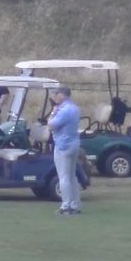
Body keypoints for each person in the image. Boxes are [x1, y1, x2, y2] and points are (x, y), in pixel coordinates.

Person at [48, 86, 82, 215]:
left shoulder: (64, 110)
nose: (55, 96)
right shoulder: (75, 108)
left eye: (57, 94)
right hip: (74, 143)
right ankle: (75, 204)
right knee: (72, 176)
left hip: (63, 145)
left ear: (63, 95)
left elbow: (51, 125)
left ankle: (66, 205)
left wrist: (52, 113)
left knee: (64, 176)